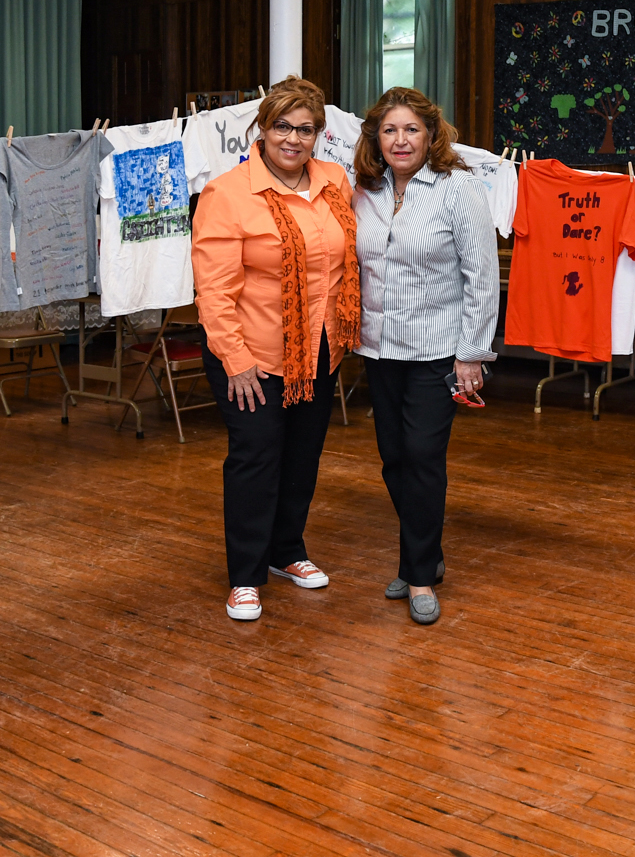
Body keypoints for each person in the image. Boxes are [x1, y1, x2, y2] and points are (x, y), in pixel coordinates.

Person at [193, 77, 361, 621]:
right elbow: (214, 289)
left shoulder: (335, 181)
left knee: (303, 456)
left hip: (318, 349)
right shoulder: (228, 193)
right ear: (262, 129)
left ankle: (286, 551)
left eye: (305, 129)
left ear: (319, 135)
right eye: (282, 126)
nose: (292, 138)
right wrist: (235, 361)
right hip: (251, 354)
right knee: (256, 457)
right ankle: (245, 574)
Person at [350, 87, 499, 625]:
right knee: (393, 459)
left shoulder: (458, 189)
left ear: (432, 134)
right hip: (379, 349)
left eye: (411, 129)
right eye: (390, 130)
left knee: (422, 457)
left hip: (439, 351)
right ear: (376, 138)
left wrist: (472, 354)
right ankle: (427, 553)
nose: (400, 139)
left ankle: (417, 576)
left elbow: (481, 277)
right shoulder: (363, 190)